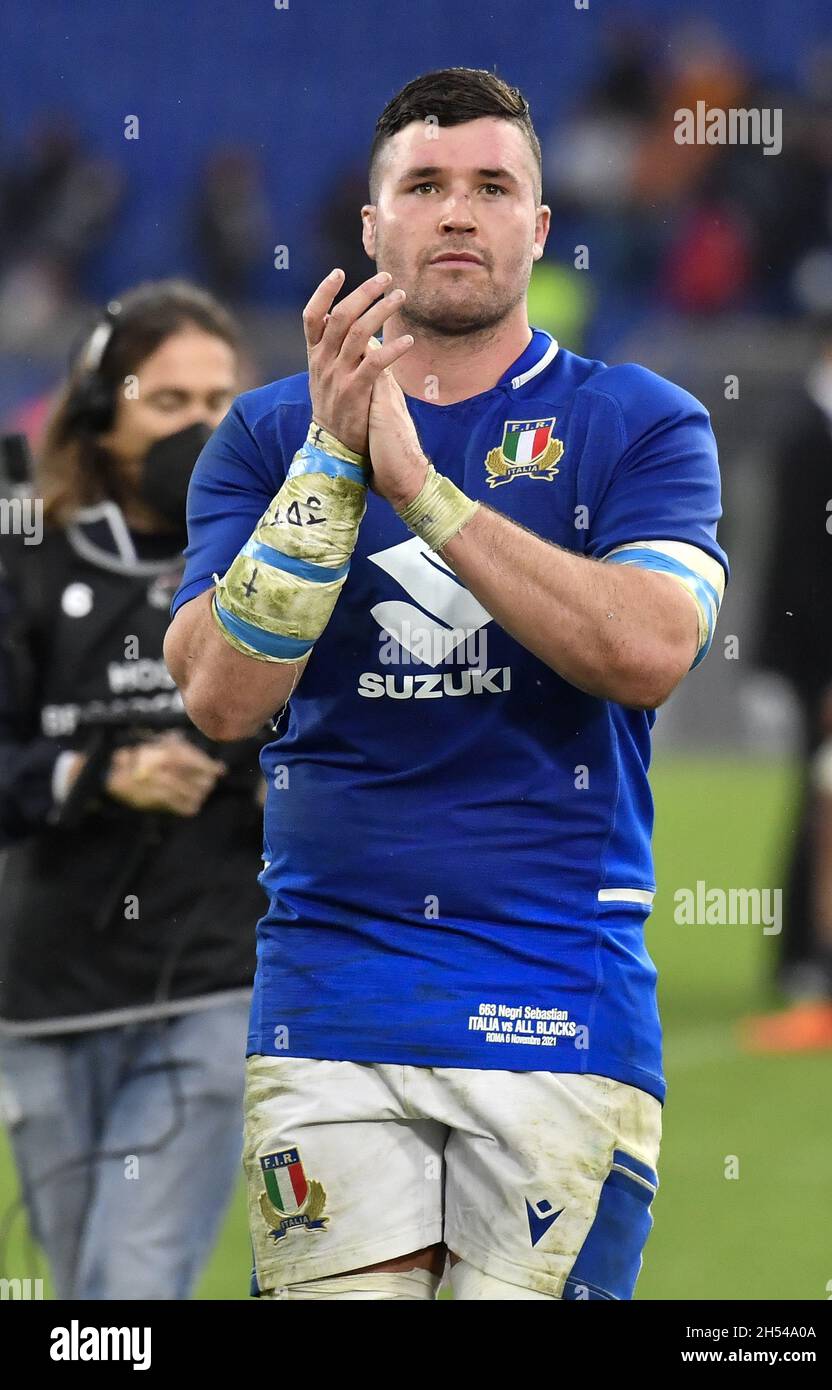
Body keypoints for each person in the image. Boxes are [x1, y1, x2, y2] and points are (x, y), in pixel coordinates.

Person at [165, 68, 728, 1302]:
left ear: (538, 225)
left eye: (492, 186)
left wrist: (426, 491)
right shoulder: (263, 439)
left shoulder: (641, 422)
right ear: (371, 226)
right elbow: (217, 696)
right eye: (423, 186)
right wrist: (333, 461)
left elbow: (646, 652)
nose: (456, 212)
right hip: (331, 1000)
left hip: (558, 1003)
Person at [0, 280, 265, 1299]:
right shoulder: (27, 561)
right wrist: (98, 773)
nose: (199, 429)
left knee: (130, 1285)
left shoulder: (279, 564)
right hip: (48, 991)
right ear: (101, 416)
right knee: (81, 1296)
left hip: (209, 981)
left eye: (217, 404)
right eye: (168, 404)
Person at [744, 293, 832, 1051]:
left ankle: (822, 967)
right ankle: (814, 970)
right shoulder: (812, 432)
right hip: (824, 661)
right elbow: (802, 569)